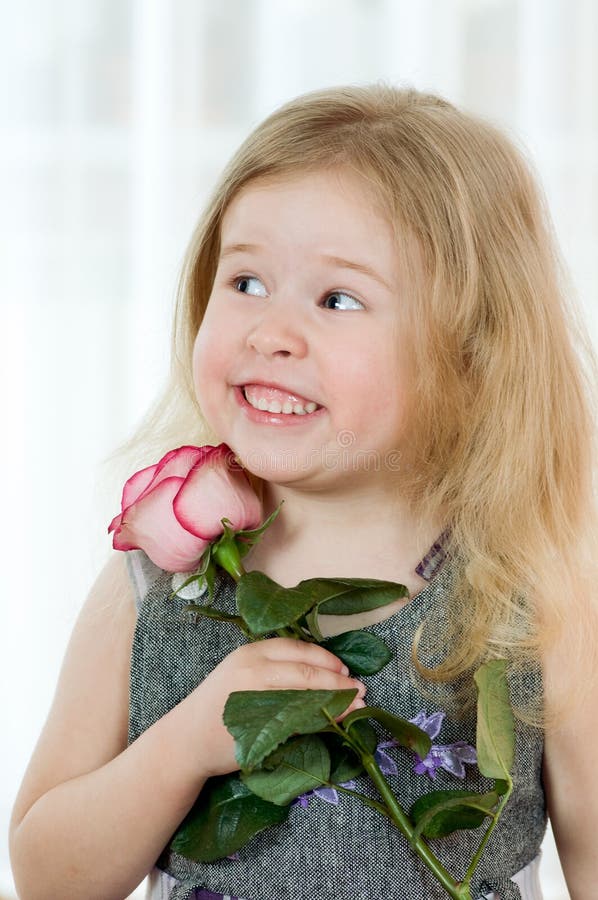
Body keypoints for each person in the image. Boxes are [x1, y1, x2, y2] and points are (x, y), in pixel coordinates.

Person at [9, 84, 598, 900]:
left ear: (469, 356)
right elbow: (47, 877)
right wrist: (185, 745)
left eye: (338, 299)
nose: (271, 332)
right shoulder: (150, 590)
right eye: (246, 281)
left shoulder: (532, 603)